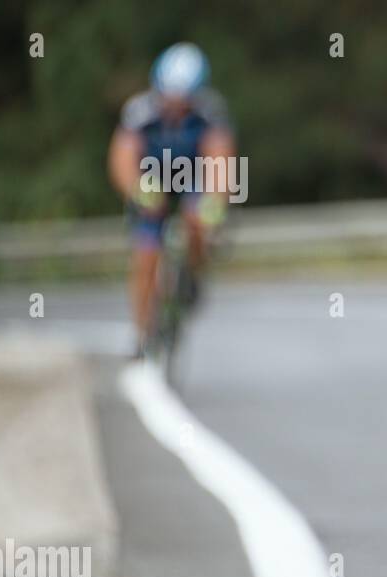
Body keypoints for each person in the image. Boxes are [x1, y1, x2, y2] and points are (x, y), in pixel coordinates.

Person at [109, 41, 234, 356]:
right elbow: (122, 158)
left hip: (192, 175)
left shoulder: (210, 111)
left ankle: (193, 270)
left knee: (200, 218)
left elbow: (219, 158)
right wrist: (138, 190)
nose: (175, 104)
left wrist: (214, 201)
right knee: (145, 255)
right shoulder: (140, 112)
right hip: (152, 176)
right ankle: (140, 332)